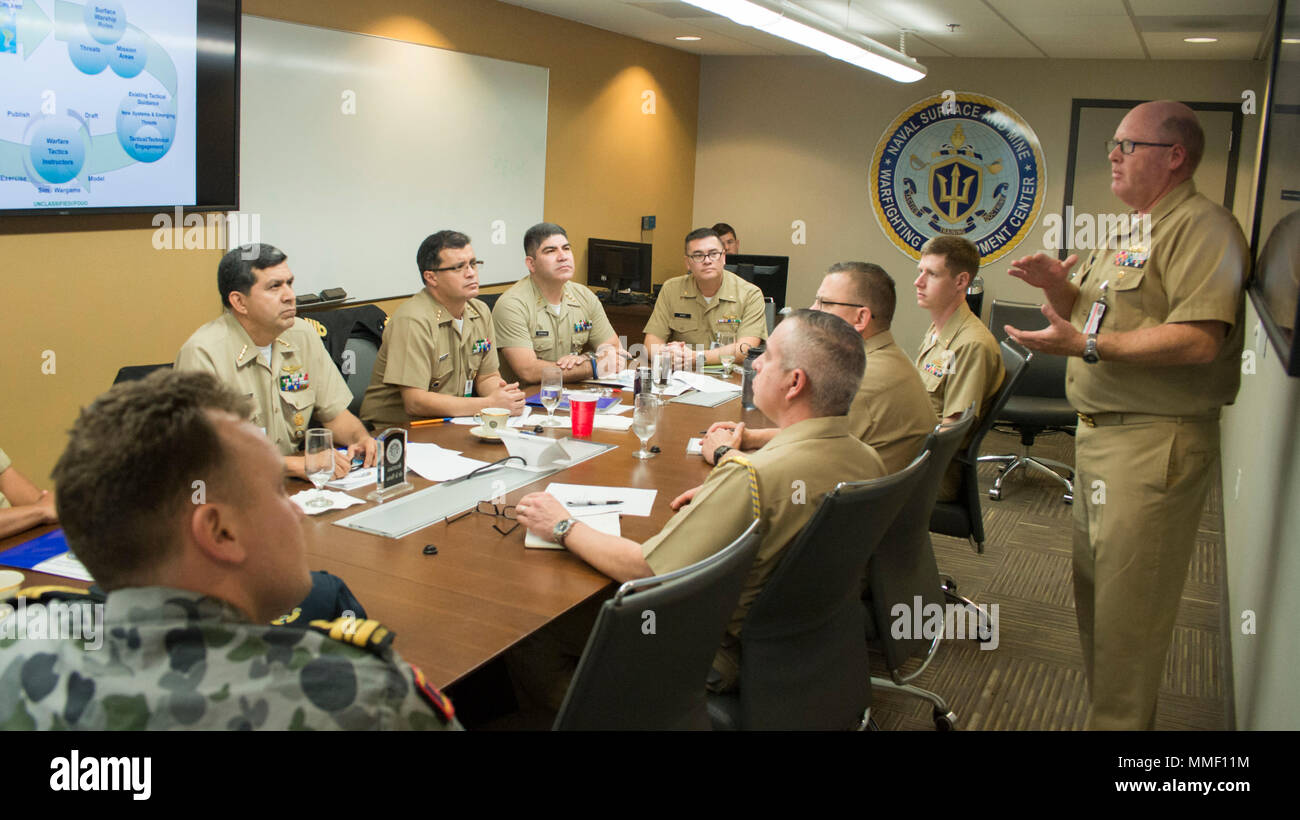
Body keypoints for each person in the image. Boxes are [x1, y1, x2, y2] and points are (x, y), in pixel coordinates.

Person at [0, 370, 459, 730]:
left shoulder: (15, 646)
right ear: (219, 533)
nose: (297, 514)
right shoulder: (358, 695)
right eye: (278, 493)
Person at [1004, 100, 1247, 731]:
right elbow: (1100, 314)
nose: (1112, 154)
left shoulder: (1203, 228)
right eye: (1113, 143)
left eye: (1127, 145)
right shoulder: (1132, 227)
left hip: (1153, 445)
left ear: (1175, 156)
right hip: (1101, 440)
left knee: (1128, 621)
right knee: (1098, 604)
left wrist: (1087, 345)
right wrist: (1060, 289)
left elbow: (1198, 339)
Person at [513, 310, 886, 698]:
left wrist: (562, 524)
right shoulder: (867, 459)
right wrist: (724, 501)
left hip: (719, 651)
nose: (755, 363)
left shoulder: (751, 475)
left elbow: (647, 569)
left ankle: (616, 714)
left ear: (794, 383)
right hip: (802, 643)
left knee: (532, 625)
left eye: (768, 356)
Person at [702, 263, 936, 474]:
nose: (812, 309)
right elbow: (817, 434)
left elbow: (793, 469)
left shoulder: (863, 378)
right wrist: (751, 437)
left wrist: (724, 453)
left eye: (824, 303)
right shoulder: (885, 357)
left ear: (860, 318)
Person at [175, 243, 377, 481]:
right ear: (239, 302)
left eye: (289, 283)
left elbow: (335, 415)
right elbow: (206, 455)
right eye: (274, 287)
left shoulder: (303, 335)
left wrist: (360, 439)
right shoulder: (203, 353)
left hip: (291, 486)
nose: (290, 296)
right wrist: (295, 465)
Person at [361, 231, 525, 429]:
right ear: (431, 277)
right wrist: (488, 404)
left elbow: (487, 376)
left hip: (452, 420)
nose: (471, 273)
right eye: (458, 267)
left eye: (473, 264)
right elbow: (415, 402)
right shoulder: (413, 320)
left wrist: (500, 396)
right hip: (400, 430)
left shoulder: (479, 311)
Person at [912, 235, 1005, 499]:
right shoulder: (939, 330)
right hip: (917, 454)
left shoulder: (970, 345)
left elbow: (951, 433)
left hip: (932, 473)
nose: (918, 282)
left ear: (961, 281)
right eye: (920, 272)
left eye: (931, 274)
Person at [492, 222, 622, 384]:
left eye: (566, 248)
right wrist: (593, 366)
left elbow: (614, 348)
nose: (563, 257)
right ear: (531, 264)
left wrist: (585, 358)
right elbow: (529, 371)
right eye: (551, 251)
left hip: (573, 392)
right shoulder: (512, 305)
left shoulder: (584, 296)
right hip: (527, 401)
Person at [643, 227, 766, 368]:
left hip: (729, 379)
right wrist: (667, 355)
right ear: (688, 263)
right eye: (698, 255)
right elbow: (651, 342)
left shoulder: (750, 294)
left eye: (713, 254)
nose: (707, 261)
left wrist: (696, 357)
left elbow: (745, 349)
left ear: (724, 257)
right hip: (682, 377)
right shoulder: (671, 289)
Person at [0, 447, 58, 540]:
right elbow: (44, 510)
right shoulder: (40, 511)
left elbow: (39, 502)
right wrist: (41, 511)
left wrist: (50, 506)